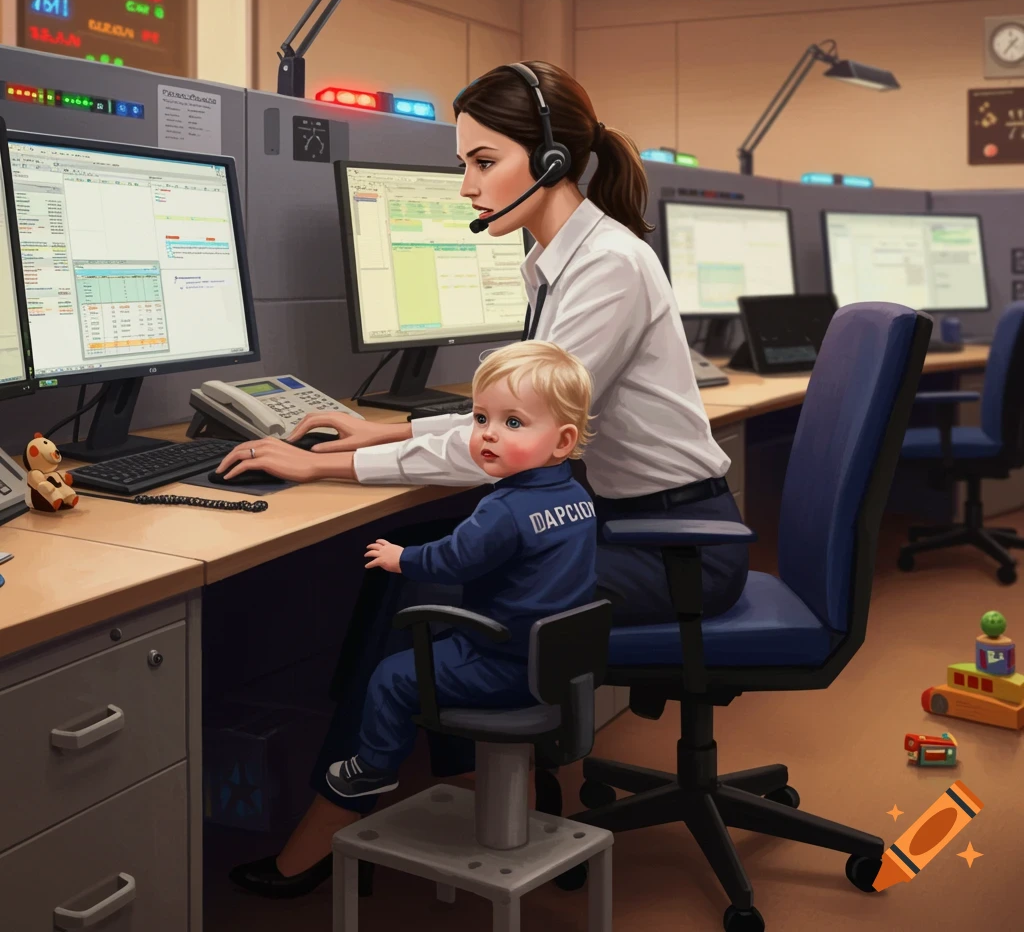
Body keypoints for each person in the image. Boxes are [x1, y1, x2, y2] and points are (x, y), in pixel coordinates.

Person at [223, 61, 747, 898]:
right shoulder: (563, 261)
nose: (464, 184)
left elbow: (506, 445)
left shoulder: (607, 267)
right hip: (619, 522)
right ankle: (458, 785)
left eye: (481, 161)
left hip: (673, 546)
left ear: (547, 163)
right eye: (462, 162)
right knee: (426, 562)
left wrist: (329, 462)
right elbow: (514, 419)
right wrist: (384, 429)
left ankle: (329, 824)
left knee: (434, 584)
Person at [323, 340, 597, 803]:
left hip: (504, 663)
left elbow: (452, 558)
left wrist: (400, 557)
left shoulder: (504, 509)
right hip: (555, 659)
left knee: (393, 674)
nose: (488, 434)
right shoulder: (578, 498)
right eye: (480, 418)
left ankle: (374, 768)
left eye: (513, 423)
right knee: (438, 624)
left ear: (563, 440)